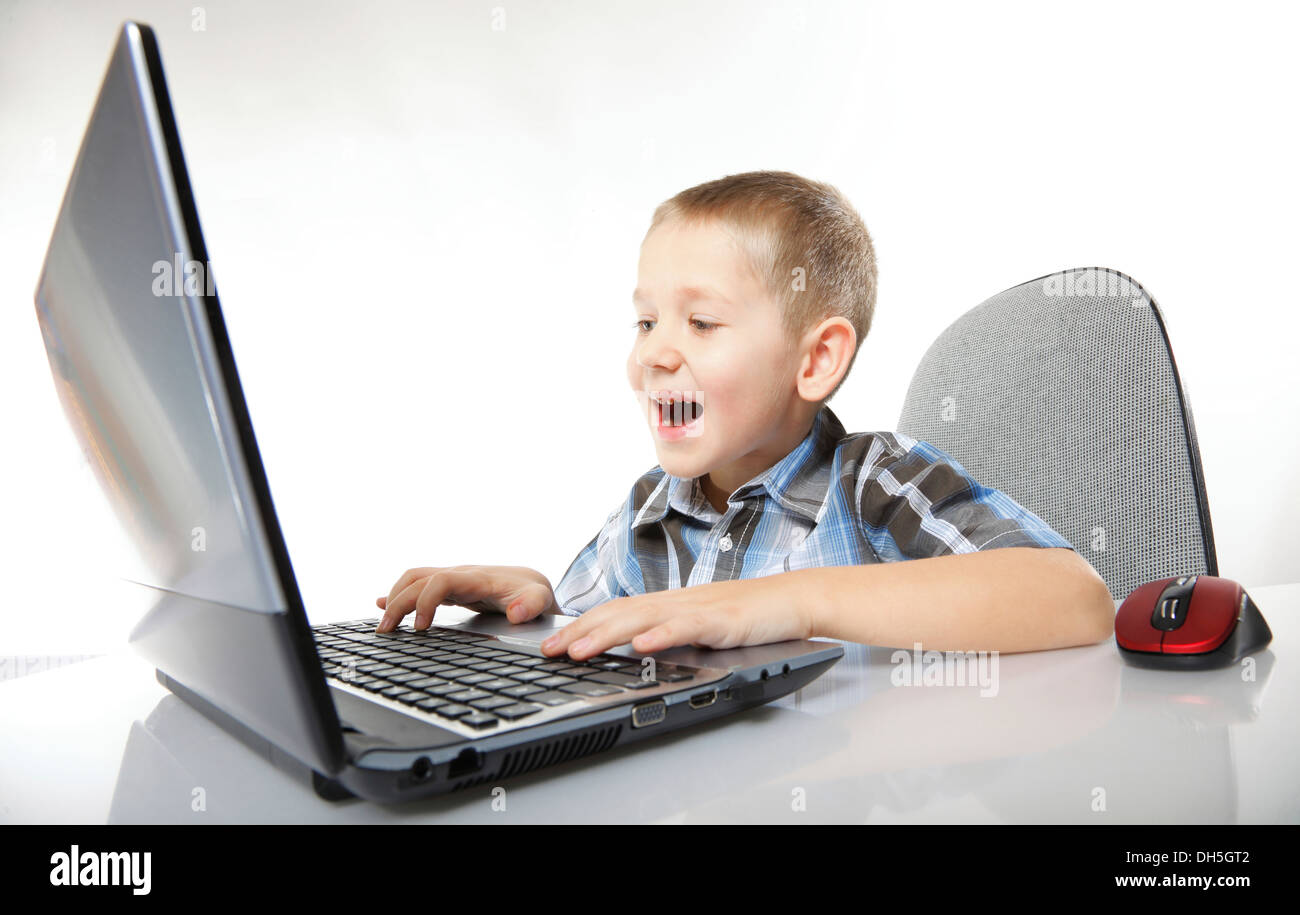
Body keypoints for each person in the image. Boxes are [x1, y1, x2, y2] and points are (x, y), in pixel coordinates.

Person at [376, 171, 1114, 658]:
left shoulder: (872, 483)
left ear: (816, 360)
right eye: (645, 323)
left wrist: (782, 604)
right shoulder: (648, 518)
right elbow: (587, 631)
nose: (654, 356)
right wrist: (533, 600)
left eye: (701, 323)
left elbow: (1074, 599)